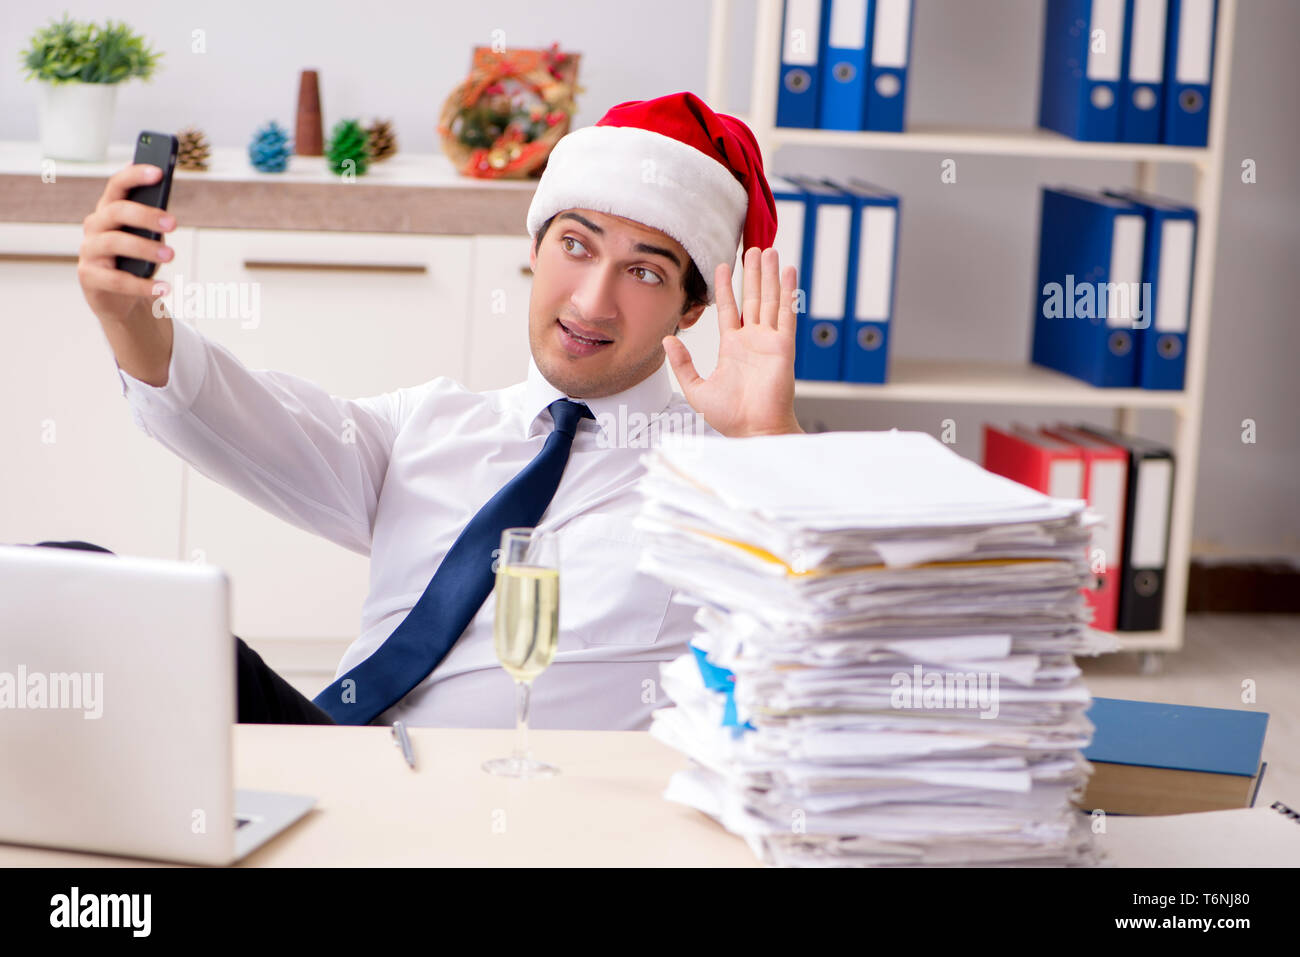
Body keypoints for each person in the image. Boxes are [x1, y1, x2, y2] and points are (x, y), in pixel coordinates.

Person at [70, 91, 802, 730]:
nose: (591, 300)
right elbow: (233, 414)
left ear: (693, 307)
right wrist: (128, 315)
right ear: (537, 246)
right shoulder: (428, 426)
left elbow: (842, 646)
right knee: (76, 585)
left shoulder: (724, 476)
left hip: (517, 808)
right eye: (575, 246)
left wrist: (768, 444)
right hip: (334, 757)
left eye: (643, 270)